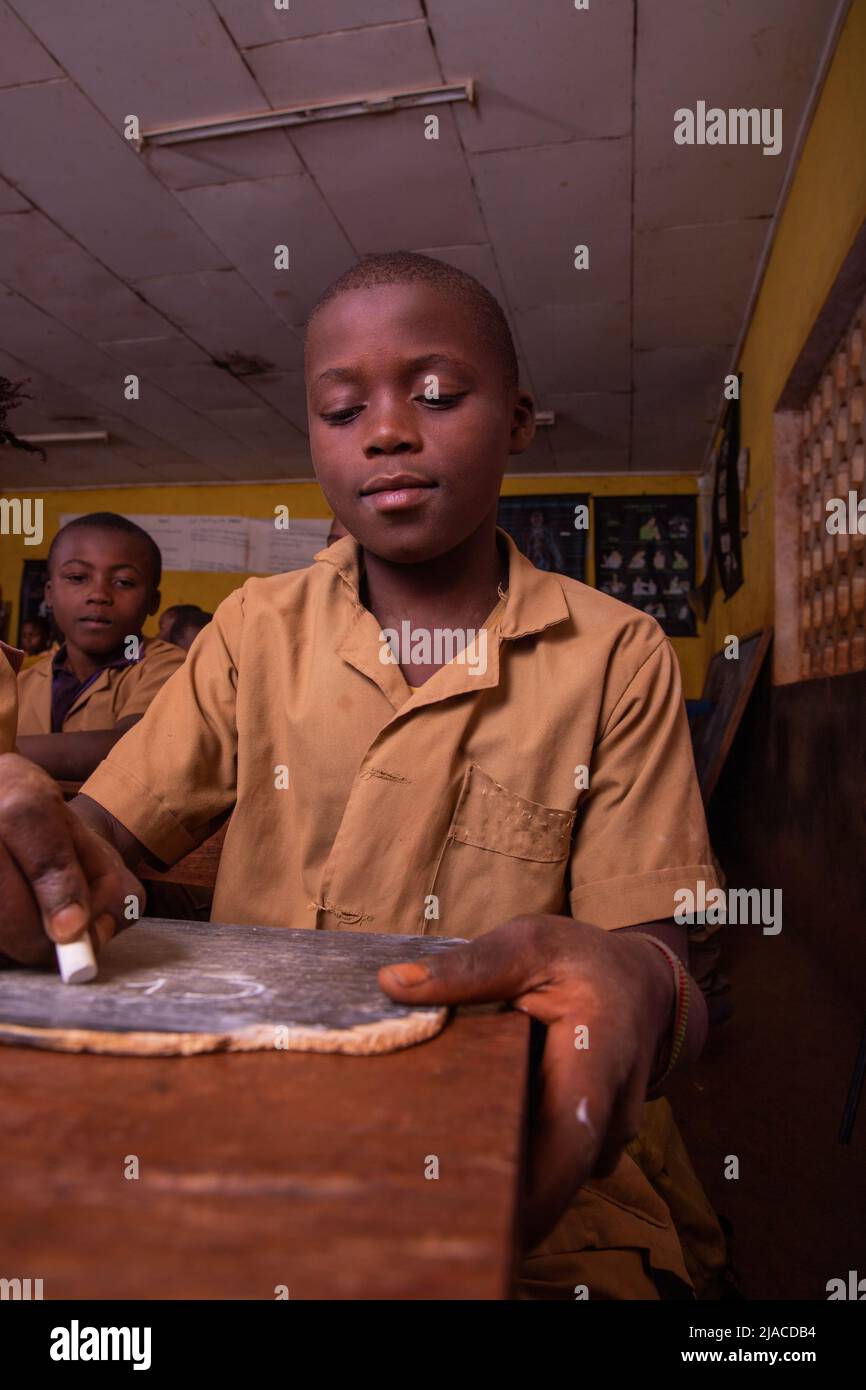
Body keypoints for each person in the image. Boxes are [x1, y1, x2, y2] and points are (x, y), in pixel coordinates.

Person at [0, 252, 726, 1298]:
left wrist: (640, 987)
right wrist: (36, 864)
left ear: (517, 419)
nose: (385, 430)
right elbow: (95, 847)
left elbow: (664, 973)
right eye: (341, 409)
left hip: (527, 1170)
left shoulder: (614, 654)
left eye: (435, 394)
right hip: (240, 1130)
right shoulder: (255, 629)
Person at [15, 513, 184, 780]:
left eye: (124, 582)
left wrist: (7, 751)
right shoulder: (20, 685)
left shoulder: (169, 667)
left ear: (153, 601)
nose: (98, 595)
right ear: (49, 593)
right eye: (77, 577)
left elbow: (132, 747)